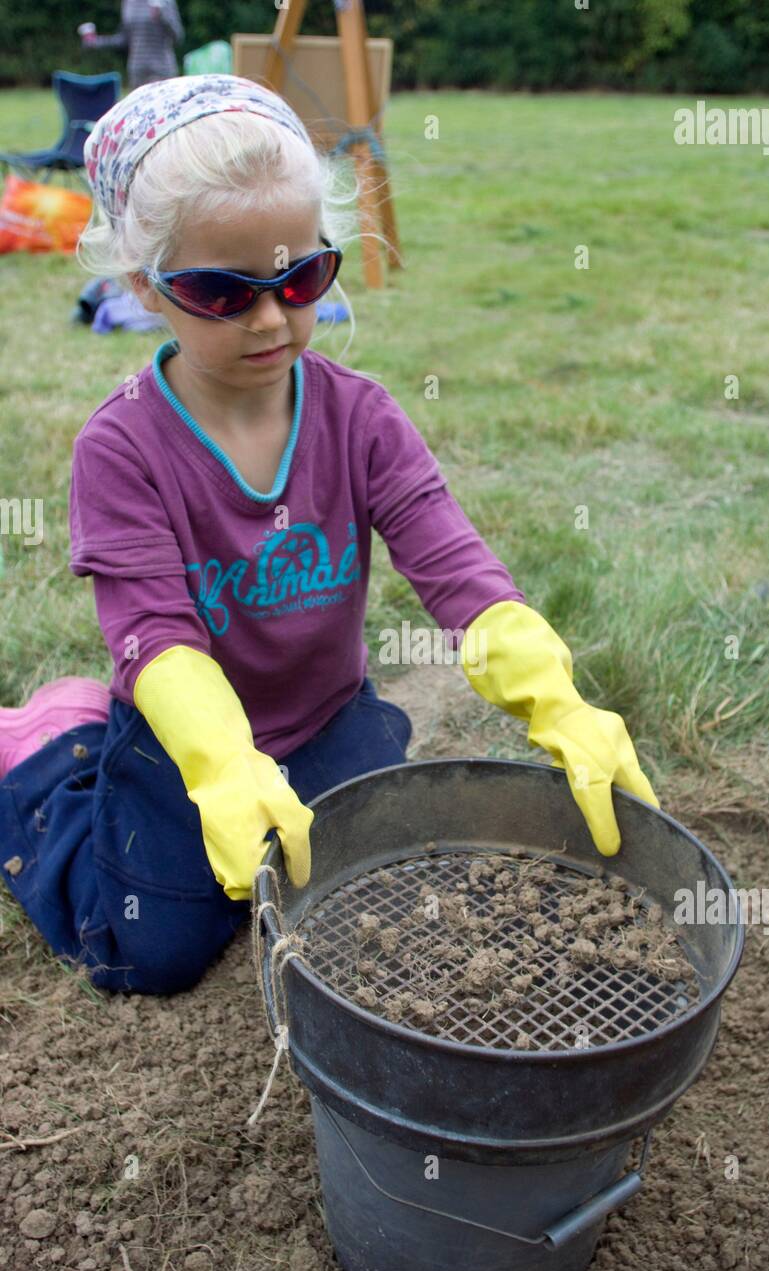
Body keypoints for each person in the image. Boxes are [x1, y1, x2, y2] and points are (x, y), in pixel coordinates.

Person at [0, 75, 659, 997]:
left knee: (376, 892)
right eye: (224, 293)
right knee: (148, 952)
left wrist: (558, 703)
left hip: (323, 720)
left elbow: (457, 571)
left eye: (301, 276)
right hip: (181, 740)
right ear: (145, 285)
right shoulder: (122, 447)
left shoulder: (363, 417)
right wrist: (223, 768)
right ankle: (42, 760)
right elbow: (156, 636)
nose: (272, 318)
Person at [80, 0, 184, 91]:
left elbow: (178, 36)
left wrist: (162, 16)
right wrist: (97, 42)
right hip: (137, 72)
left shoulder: (165, 1)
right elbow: (124, 39)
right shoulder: (129, 3)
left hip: (161, 69)